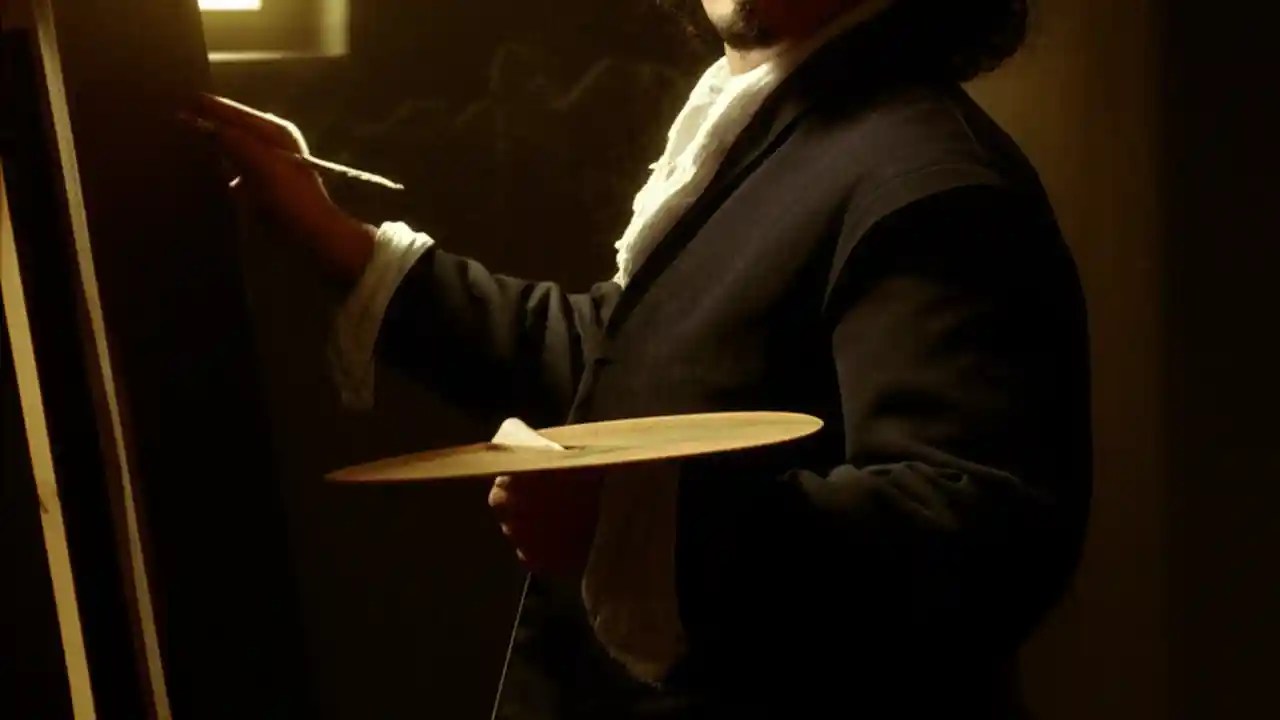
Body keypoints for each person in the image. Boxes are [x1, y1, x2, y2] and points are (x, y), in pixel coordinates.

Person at [192, 0, 1092, 716]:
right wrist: (331, 237)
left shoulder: (927, 173)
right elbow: (621, 364)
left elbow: (976, 534)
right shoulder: (797, 126)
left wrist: (636, 533)